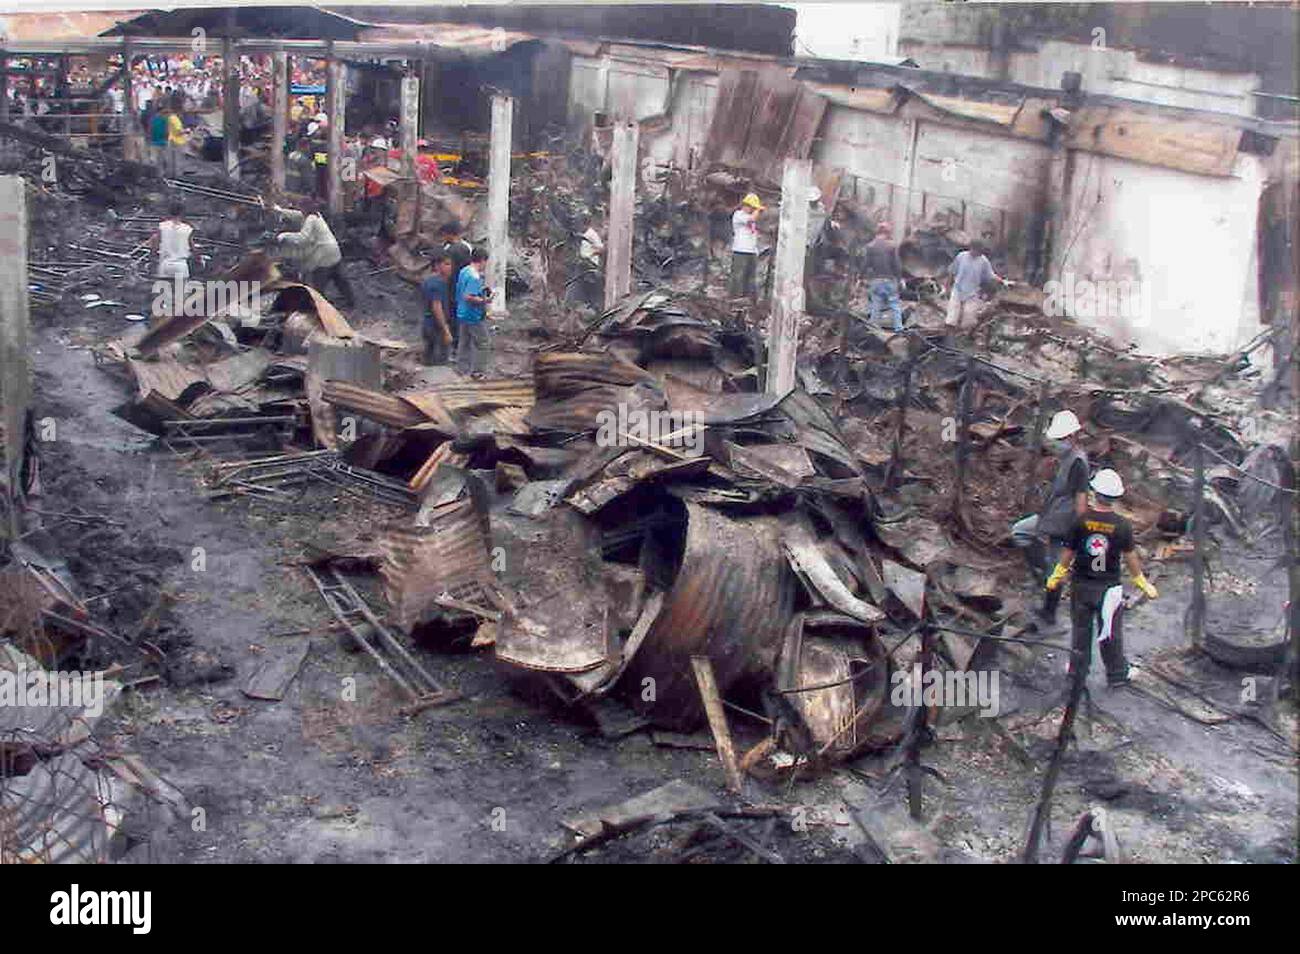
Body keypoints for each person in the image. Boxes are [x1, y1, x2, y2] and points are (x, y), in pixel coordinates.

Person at [1045, 468, 1158, 687]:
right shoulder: (1122, 525)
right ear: (1116, 497)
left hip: (1081, 585)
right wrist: (1139, 580)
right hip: (1109, 589)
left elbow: (1069, 552)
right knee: (1110, 632)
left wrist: (1058, 574)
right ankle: (1116, 674)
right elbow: (1130, 556)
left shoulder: (1081, 521)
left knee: (1080, 629)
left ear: (1093, 493)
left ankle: (1077, 672)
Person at [1011, 409, 1090, 628]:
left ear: (1072, 437)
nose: (1056, 444)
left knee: (1056, 570)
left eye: (1061, 439)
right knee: (1020, 532)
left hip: (1065, 524)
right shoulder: (1067, 458)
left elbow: (1081, 500)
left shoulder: (1078, 463)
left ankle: (1049, 613)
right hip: (1052, 517)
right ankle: (1042, 573)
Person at [274, 199, 355, 306]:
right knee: (340, 279)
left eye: (300, 208)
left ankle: (320, 307)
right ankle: (350, 301)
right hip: (334, 252)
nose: (299, 210)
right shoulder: (317, 215)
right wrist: (280, 210)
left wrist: (285, 236)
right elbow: (297, 215)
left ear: (305, 209)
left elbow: (303, 238)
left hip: (324, 256)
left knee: (318, 287)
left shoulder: (310, 219)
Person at [946, 239, 1008, 328]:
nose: (979, 253)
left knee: (969, 320)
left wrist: (1002, 281)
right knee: (951, 319)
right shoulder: (961, 257)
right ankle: (949, 336)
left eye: (980, 250)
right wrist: (948, 287)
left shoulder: (983, 261)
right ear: (971, 249)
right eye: (977, 250)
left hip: (972, 293)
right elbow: (952, 271)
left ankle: (963, 337)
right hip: (958, 290)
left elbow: (990, 274)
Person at [454, 247, 493, 378]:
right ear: (482, 260)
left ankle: (461, 369)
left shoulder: (464, 270)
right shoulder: (474, 276)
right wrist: (485, 300)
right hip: (473, 315)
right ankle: (478, 372)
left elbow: (464, 289)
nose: (485, 265)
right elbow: (469, 296)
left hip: (462, 312)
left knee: (464, 342)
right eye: (486, 262)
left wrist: (482, 289)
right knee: (483, 342)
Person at [861, 221, 905, 332]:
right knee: (895, 305)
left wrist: (860, 277)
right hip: (890, 280)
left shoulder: (870, 246)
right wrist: (900, 279)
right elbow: (897, 265)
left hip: (876, 281)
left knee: (876, 304)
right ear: (888, 233)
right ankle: (899, 329)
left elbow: (865, 264)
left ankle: (873, 328)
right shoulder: (892, 246)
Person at [440, 221, 473, 347]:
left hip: (452, 286)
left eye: (444, 234)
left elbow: (447, 269)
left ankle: (455, 344)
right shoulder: (467, 247)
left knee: (452, 315)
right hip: (464, 285)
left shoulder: (451, 250)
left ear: (449, 234)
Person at [420, 254, 455, 366]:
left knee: (429, 358)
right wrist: (445, 330)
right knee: (440, 362)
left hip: (428, 324)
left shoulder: (428, 280)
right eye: (447, 264)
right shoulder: (437, 283)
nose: (450, 267)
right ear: (437, 265)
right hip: (436, 327)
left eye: (450, 264)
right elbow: (437, 307)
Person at [729, 192, 763, 298]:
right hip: (740, 250)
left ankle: (747, 298)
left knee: (750, 277)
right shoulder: (738, 215)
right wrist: (758, 210)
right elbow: (751, 219)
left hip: (752, 251)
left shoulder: (750, 216)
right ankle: (736, 297)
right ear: (747, 206)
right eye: (753, 208)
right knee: (738, 276)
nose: (754, 210)